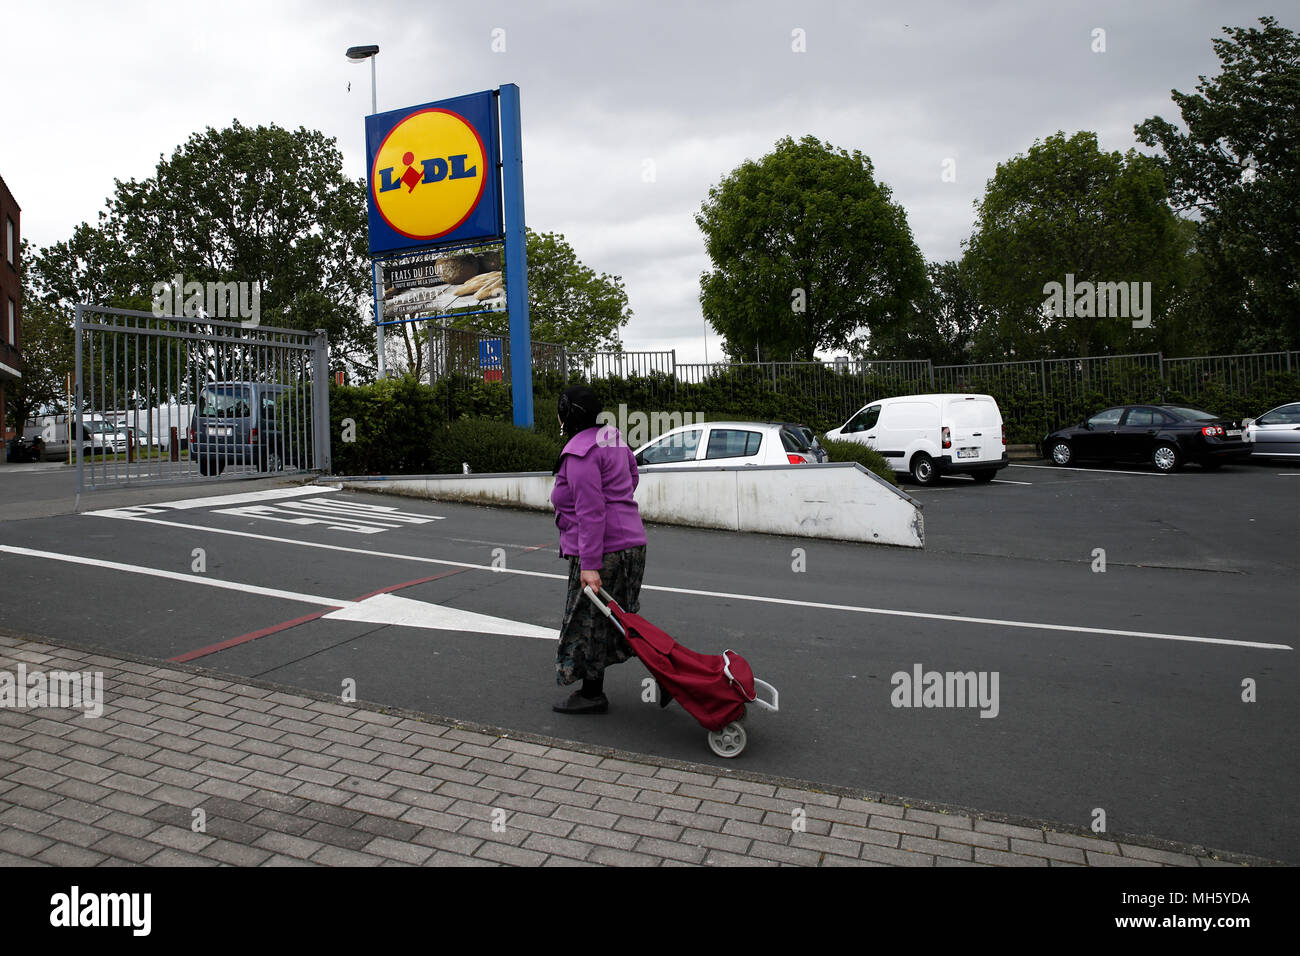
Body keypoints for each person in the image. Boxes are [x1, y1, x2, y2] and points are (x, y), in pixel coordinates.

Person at [550, 385, 647, 714]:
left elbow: (591, 513)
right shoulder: (613, 439)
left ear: (567, 414)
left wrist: (590, 565)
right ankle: (663, 676)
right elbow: (632, 478)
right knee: (618, 620)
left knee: (590, 623)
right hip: (631, 545)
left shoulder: (580, 453)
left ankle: (592, 694)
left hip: (602, 552)